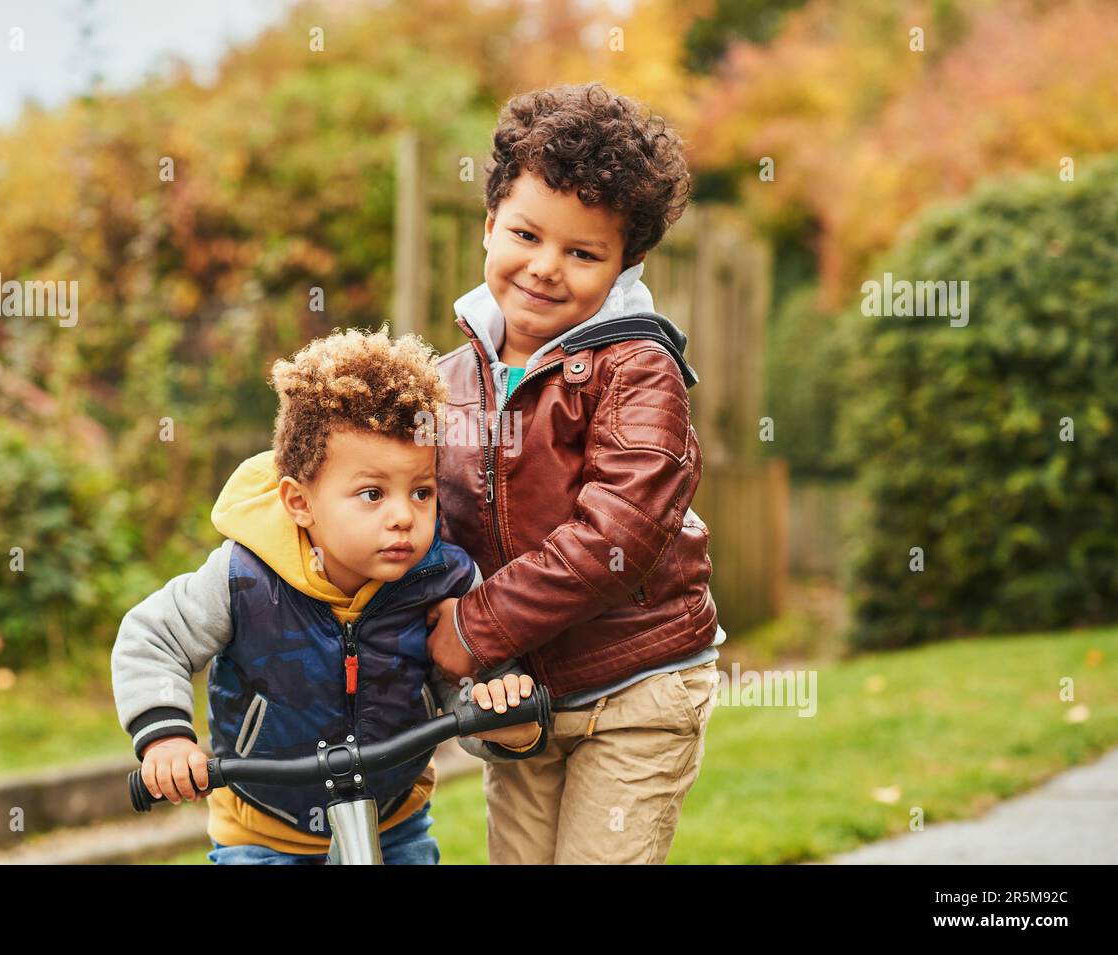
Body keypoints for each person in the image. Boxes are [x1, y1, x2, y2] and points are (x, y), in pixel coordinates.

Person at [426, 82, 725, 864]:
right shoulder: (452, 378)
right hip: (520, 699)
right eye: (526, 234)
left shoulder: (636, 368)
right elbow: (422, 518)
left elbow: (617, 534)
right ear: (489, 224)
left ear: (626, 261)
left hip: (637, 684)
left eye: (583, 252)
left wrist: (474, 626)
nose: (545, 268)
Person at [111, 326, 544, 865]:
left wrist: (504, 718)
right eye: (371, 493)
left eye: (421, 491)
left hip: (392, 821)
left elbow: (469, 683)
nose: (403, 516)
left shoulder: (445, 580)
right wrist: (166, 739)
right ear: (300, 502)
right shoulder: (244, 576)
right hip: (263, 827)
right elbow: (153, 637)